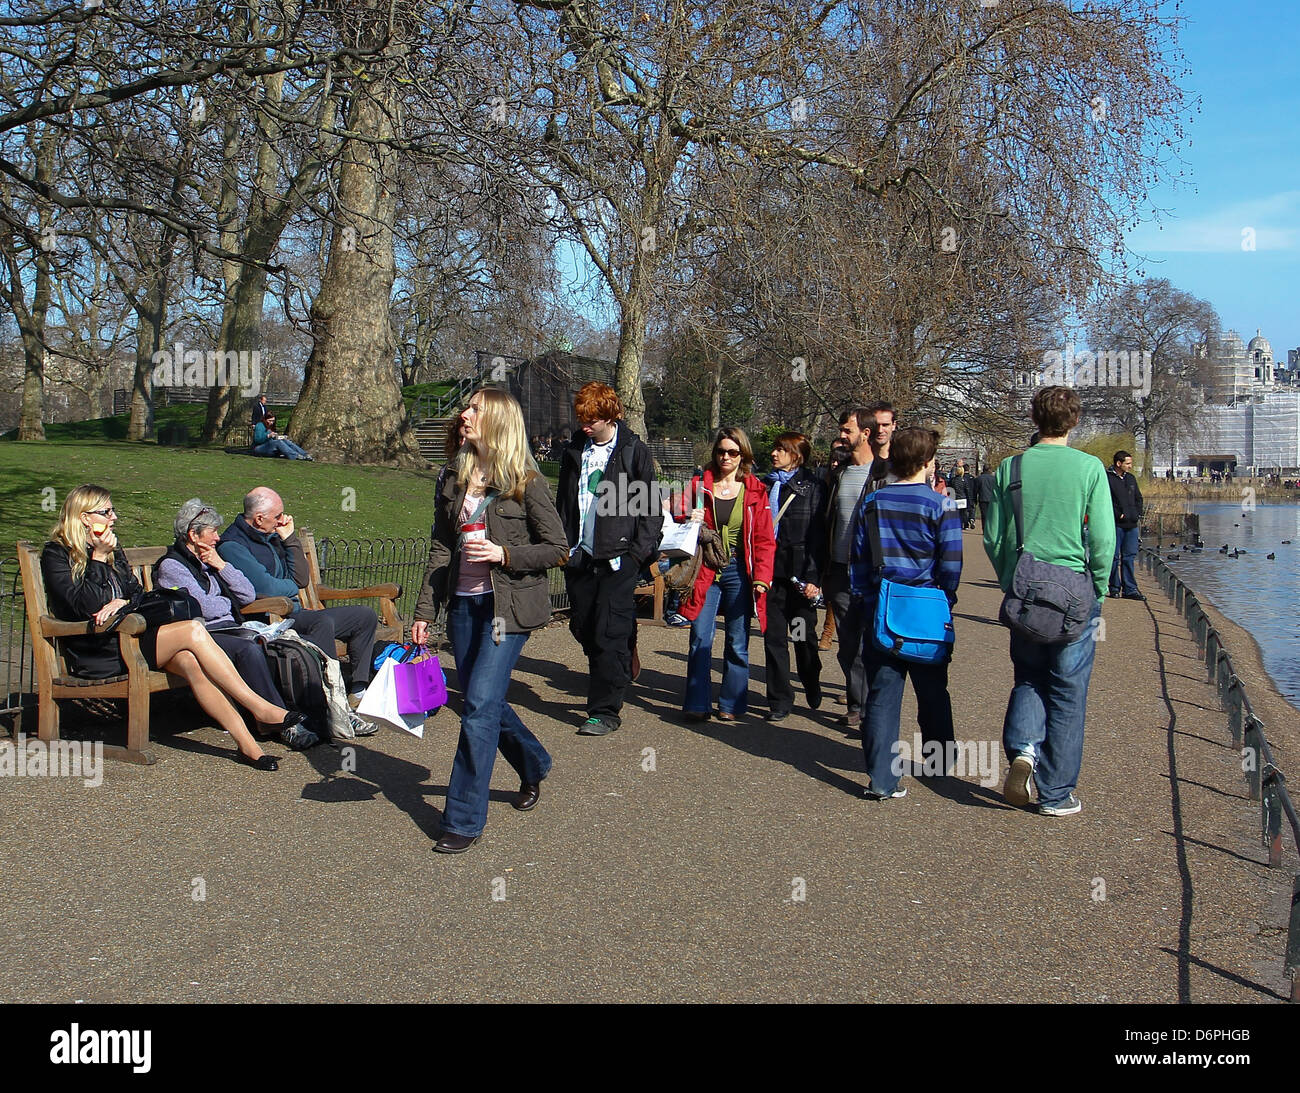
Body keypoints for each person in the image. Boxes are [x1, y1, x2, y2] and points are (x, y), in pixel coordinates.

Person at [40, 485, 300, 770]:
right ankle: (260, 707)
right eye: (107, 512)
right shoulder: (57, 553)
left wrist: (120, 602)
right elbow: (82, 607)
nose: (114, 517)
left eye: (112, 510)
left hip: (129, 637)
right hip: (98, 649)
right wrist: (99, 559)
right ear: (85, 517)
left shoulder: (114, 550)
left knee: (190, 661)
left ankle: (249, 746)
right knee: (193, 630)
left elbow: (137, 595)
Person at [410, 387, 568, 854]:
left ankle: (461, 818)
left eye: (475, 408)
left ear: (498, 420)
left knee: (478, 705)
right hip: (462, 607)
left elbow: (558, 548)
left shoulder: (527, 481)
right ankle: (533, 761)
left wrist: (505, 553)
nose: (465, 414)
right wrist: (424, 611)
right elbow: (441, 547)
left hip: (507, 610)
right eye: (467, 407)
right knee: (485, 702)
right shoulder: (451, 478)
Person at [984, 386, 1116, 817]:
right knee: (1068, 691)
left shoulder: (1011, 467)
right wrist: (1098, 587)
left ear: (1033, 417)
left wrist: (1010, 579)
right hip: (1073, 588)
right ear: (1075, 421)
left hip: (1026, 585)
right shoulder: (1090, 468)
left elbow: (995, 536)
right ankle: (1056, 794)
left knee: (1028, 676)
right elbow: (1102, 537)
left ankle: (1023, 750)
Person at [155, 498, 321, 750]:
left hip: (229, 628)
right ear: (193, 534)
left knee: (278, 645)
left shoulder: (209, 562)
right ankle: (278, 723)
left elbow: (247, 595)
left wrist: (221, 565)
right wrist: (225, 602)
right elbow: (201, 609)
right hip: (200, 635)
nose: (217, 538)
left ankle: (306, 714)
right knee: (248, 649)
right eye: (212, 532)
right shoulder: (173, 567)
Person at [850, 427, 962, 799]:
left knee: (882, 694)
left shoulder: (873, 503)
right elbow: (951, 563)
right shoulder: (940, 504)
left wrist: (866, 597)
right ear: (928, 463)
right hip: (928, 603)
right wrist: (946, 596)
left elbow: (859, 559)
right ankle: (939, 761)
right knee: (933, 689)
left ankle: (881, 779)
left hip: (883, 604)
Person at [555, 382, 659, 736]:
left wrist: (635, 555)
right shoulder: (574, 451)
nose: (585, 424)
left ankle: (604, 711)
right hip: (579, 556)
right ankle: (625, 644)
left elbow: (650, 509)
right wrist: (561, 545)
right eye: (582, 417)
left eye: (592, 418)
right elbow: (563, 504)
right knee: (583, 627)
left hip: (618, 560)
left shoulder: (633, 451)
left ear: (609, 415)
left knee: (606, 634)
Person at [217, 487, 377, 701]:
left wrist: (290, 538)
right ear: (258, 518)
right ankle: (328, 694)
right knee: (322, 623)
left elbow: (301, 579)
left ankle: (358, 689)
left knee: (364, 616)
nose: (283, 519)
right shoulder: (233, 546)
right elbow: (266, 589)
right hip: (267, 619)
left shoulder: (272, 535)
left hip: (293, 613)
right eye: (278, 516)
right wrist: (290, 586)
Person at [676, 427, 775, 722]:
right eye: (721, 451)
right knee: (699, 637)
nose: (725, 457)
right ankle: (697, 702)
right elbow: (675, 512)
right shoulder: (699, 484)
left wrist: (762, 578)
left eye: (732, 452)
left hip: (739, 572)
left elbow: (765, 539)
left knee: (737, 640)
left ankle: (731, 704)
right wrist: (687, 516)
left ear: (742, 454)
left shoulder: (755, 489)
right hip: (705, 567)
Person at [822, 403, 894, 731]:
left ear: (865, 433)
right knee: (848, 645)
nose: (841, 435)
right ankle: (856, 704)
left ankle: (869, 710)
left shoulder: (885, 474)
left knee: (869, 644)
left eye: (847, 430)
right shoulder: (837, 474)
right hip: (838, 570)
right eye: (840, 430)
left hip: (871, 572)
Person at [762, 432, 827, 721]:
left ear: (796, 455)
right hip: (771, 575)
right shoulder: (765, 485)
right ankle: (779, 699)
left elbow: (818, 536)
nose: (775, 454)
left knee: (802, 637)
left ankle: (811, 679)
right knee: (773, 638)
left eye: (781, 449)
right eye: (775, 448)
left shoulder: (813, 487)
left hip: (800, 577)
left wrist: (814, 577)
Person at [1107, 450, 1145, 601]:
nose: (1130, 466)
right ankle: (1114, 588)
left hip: (1131, 524)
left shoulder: (1130, 478)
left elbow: (1138, 498)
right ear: (1119, 463)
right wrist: (1117, 514)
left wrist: (1137, 513)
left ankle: (1130, 589)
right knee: (1114, 558)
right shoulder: (1108, 478)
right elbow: (1105, 500)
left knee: (1129, 557)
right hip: (1116, 524)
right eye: (1128, 463)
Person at [975, 465, 996, 529]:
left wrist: (975, 499)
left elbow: (975, 490)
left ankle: (984, 528)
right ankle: (991, 528)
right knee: (992, 515)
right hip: (992, 498)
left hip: (982, 498)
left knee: (984, 515)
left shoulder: (979, 478)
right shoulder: (993, 479)